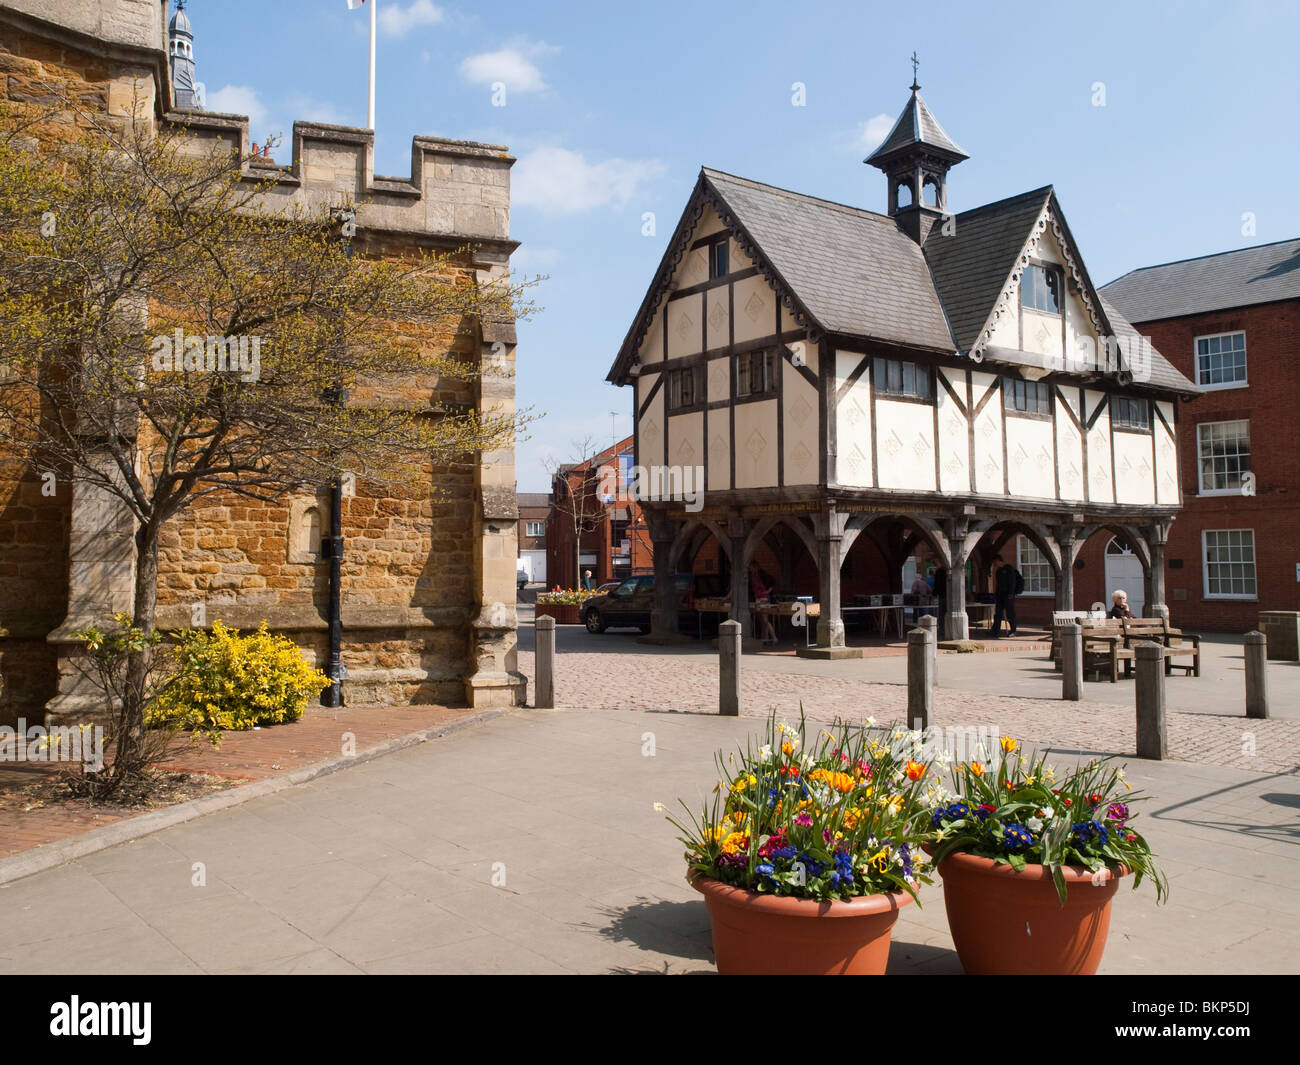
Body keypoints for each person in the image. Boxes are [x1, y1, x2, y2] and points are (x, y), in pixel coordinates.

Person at [991, 555, 1023, 638]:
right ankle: (995, 631)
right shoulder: (998, 571)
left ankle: (1013, 631)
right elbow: (998, 585)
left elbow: (1012, 582)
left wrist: (1011, 594)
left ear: (998, 560)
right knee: (998, 614)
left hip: (1008, 595)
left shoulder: (1009, 569)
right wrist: (996, 594)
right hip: (1000, 595)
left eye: (995, 562)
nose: (994, 564)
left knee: (1010, 614)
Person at [750, 566, 778, 645]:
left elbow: (772, 583)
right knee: (762, 621)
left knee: (765, 620)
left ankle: (774, 637)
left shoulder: (761, 577)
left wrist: (766, 592)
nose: (750, 569)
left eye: (752, 567)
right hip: (759, 599)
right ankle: (765, 638)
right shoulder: (753, 578)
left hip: (762, 600)